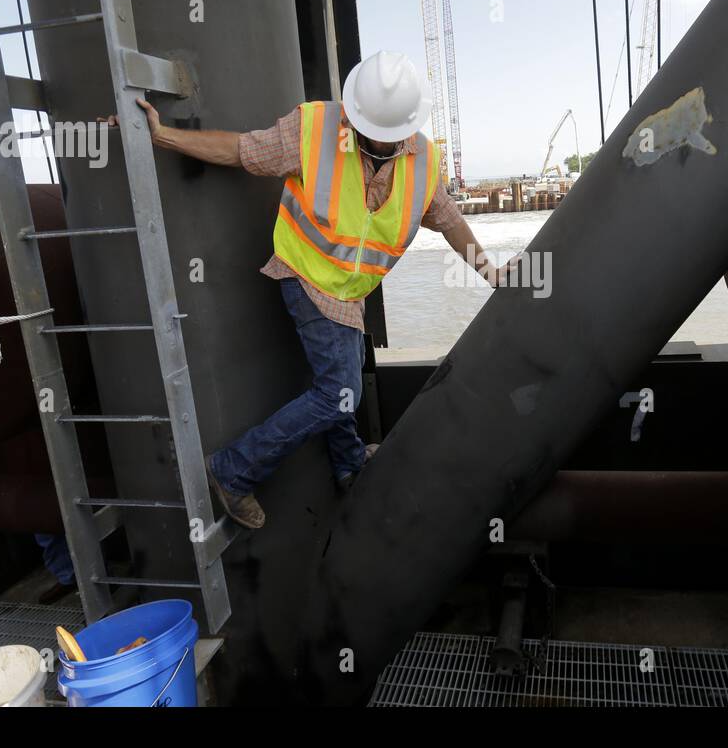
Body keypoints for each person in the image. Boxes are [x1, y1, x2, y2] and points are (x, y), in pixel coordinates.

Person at [126, 51, 501, 528]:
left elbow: (447, 218)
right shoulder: (314, 130)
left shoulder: (423, 161)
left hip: (351, 293)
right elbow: (240, 150)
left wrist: (489, 270)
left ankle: (347, 464)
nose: (382, 143)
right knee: (341, 388)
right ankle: (232, 470)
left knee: (340, 378)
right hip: (306, 276)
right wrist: (163, 135)